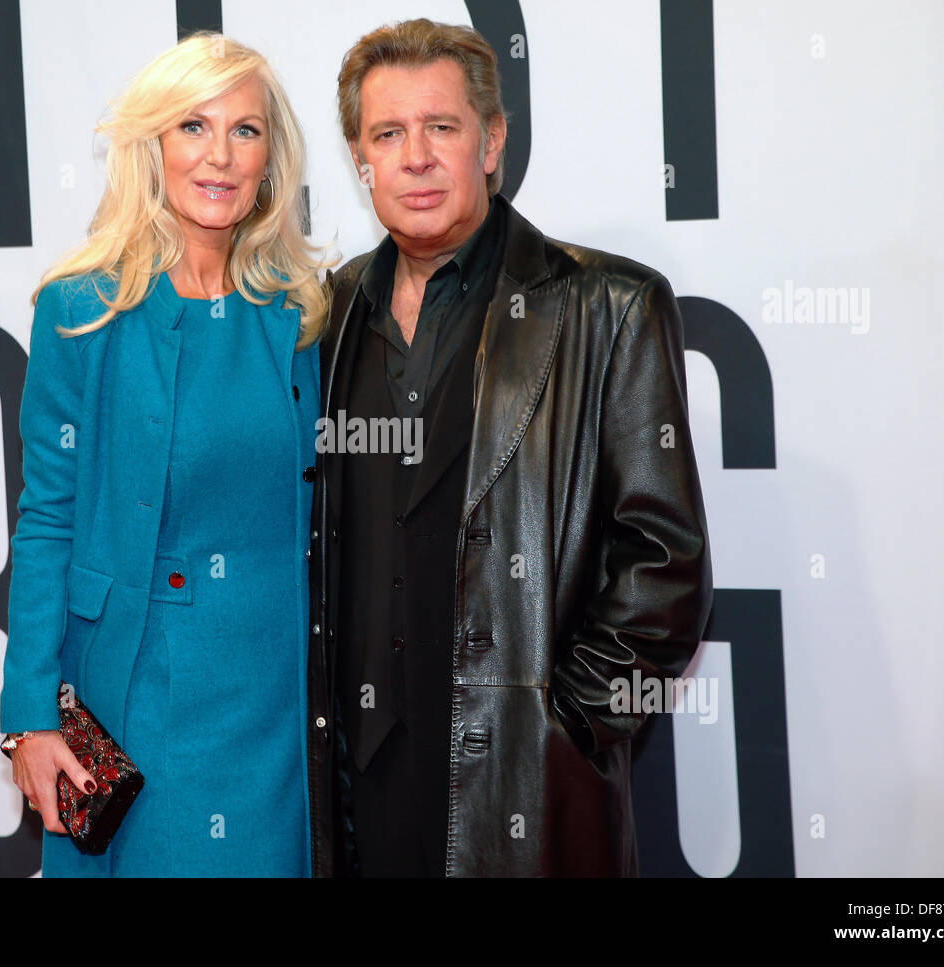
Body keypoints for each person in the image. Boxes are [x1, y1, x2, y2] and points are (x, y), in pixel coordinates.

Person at [305, 19, 714, 876]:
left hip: (522, 792)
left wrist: (561, 724)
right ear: (359, 158)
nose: (415, 156)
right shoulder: (325, 316)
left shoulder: (608, 305)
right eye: (389, 133)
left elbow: (666, 563)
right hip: (357, 793)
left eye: (441, 127)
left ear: (491, 141)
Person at [0, 32, 330, 876]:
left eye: (245, 131)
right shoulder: (82, 310)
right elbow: (47, 520)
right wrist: (30, 714)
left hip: (277, 703)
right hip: (134, 691)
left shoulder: (298, 313)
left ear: (271, 159)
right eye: (193, 125)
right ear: (153, 145)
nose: (219, 155)